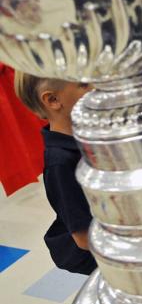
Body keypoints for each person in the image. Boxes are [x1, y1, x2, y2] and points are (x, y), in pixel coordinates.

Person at [14, 72, 96, 275]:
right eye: (84, 84)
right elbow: (83, 239)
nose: (95, 87)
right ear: (53, 100)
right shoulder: (61, 163)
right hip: (100, 255)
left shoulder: (89, 135)